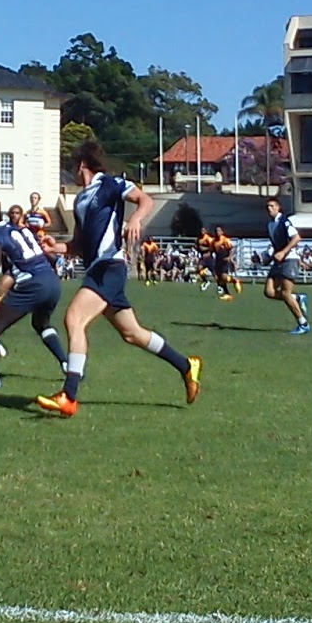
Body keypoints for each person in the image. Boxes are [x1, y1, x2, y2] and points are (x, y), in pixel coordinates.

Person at [35, 141, 201, 417]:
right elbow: (78, 244)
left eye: (72, 169)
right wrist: (56, 247)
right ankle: (186, 366)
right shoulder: (80, 201)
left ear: (80, 166)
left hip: (109, 267)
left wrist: (136, 219)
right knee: (132, 333)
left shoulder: (110, 184)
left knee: (74, 319)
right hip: (98, 269)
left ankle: (69, 395)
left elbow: (145, 199)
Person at [0, 197, 70, 389]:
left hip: (32, 284)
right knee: (41, 323)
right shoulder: (21, 228)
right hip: (51, 280)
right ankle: (66, 363)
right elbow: (49, 257)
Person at [264, 196, 310, 334]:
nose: (269, 209)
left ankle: (303, 324)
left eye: (272, 206)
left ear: (278, 207)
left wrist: (283, 252)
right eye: (267, 207)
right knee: (269, 292)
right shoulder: (270, 224)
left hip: (289, 259)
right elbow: (276, 243)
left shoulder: (284, 221)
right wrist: (271, 256)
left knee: (285, 293)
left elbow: (296, 238)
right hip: (279, 260)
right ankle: (297, 298)